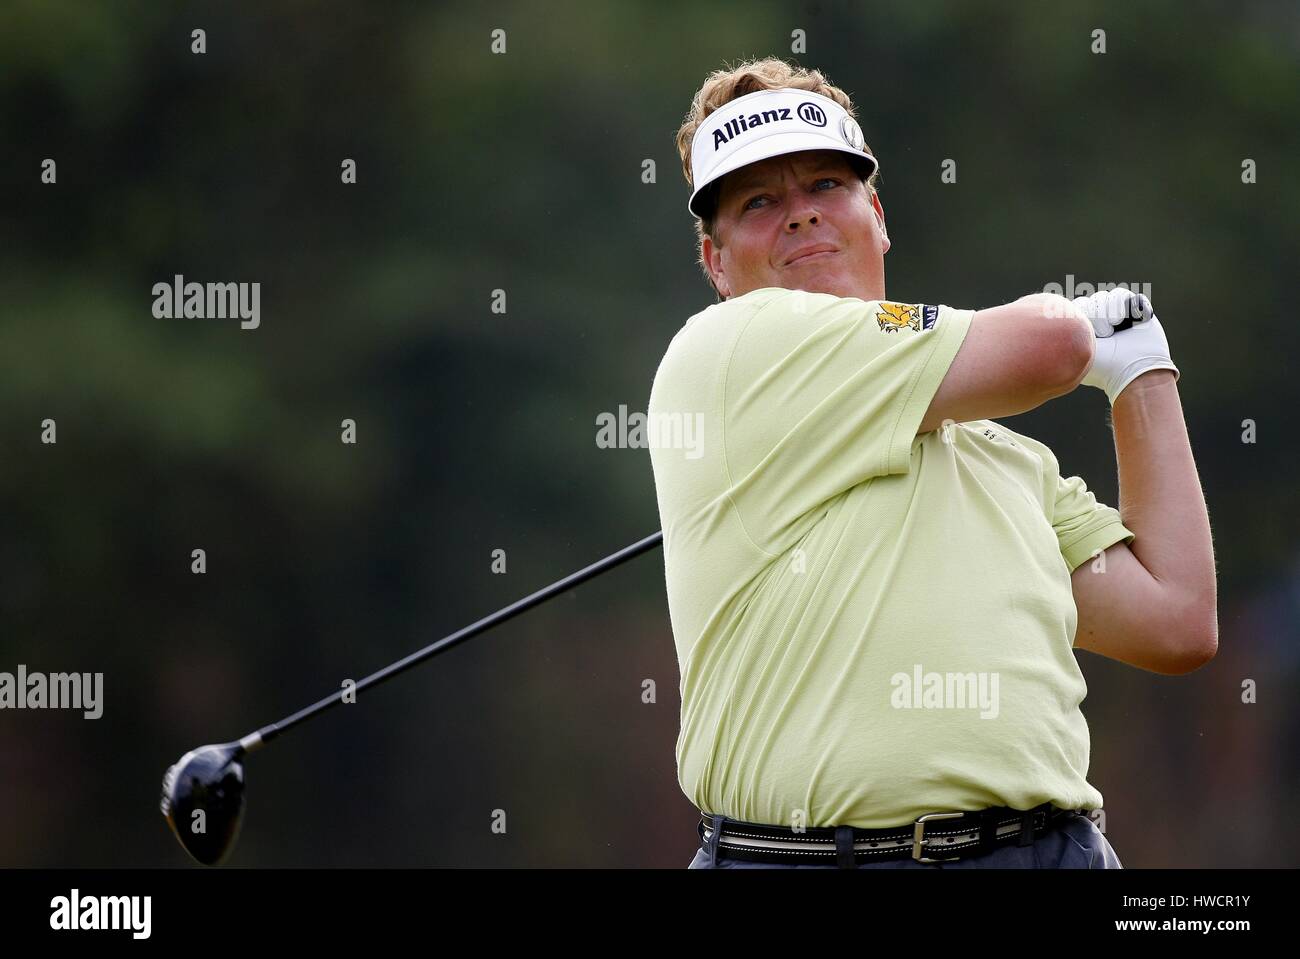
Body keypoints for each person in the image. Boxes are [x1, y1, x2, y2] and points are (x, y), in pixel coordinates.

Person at [647, 57, 1218, 869]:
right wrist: (1089, 328)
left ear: (876, 214)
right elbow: (1053, 345)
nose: (801, 217)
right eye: (760, 202)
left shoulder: (1001, 455)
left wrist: (1142, 371)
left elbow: (1177, 619)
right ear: (716, 262)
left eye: (825, 187)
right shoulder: (726, 352)